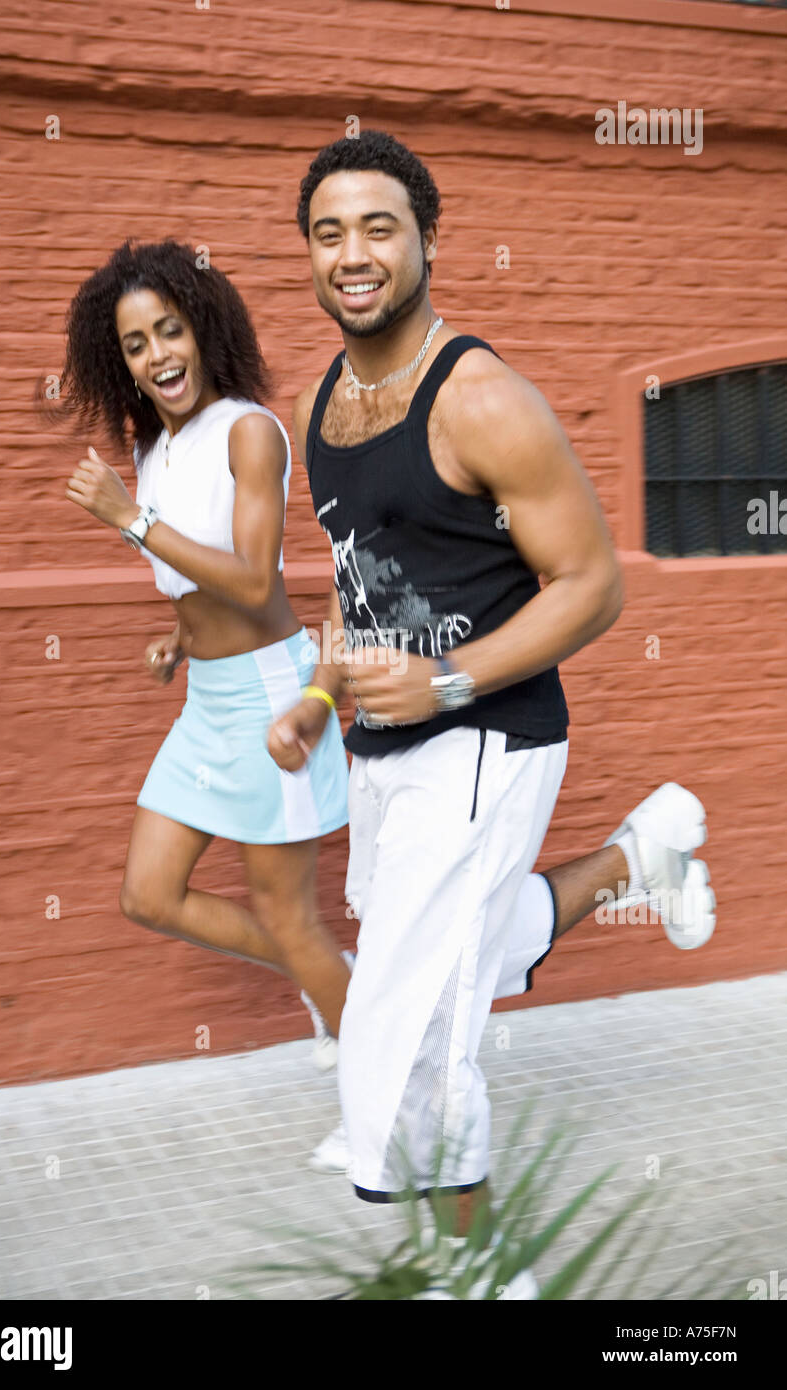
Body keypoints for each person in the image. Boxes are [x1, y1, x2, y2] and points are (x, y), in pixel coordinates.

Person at [266, 132, 715, 1237]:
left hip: (484, 735)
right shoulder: (325, 402)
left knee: (407, 1029)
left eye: (379, 226)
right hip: (380, 742)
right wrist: (320, 700)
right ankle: (635, 857)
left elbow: (591, 584)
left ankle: (477, 1272)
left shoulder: (480, 400)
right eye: (329, 232)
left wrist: (449, 684)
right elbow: (358, 586)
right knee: (446, 946)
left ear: (426, 238)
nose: (353, 253)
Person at [59, 237, 353, 1054]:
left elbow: (256, 582)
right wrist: (179, 639)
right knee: (149, 894)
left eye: (171, 330)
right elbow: (197, 581)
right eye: (136, 343)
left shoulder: (248, 433)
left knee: (290, 919)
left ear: (204, 329)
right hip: (209, 702)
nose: (158, 355)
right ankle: (342, 978)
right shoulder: (154, 449)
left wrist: (130, 520)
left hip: (269, 698)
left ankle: (398, 1117)